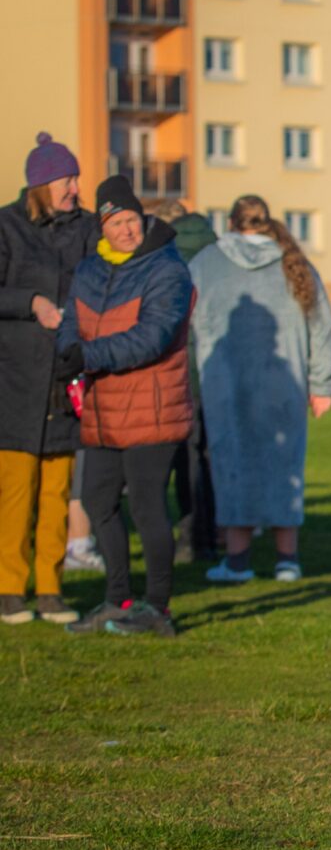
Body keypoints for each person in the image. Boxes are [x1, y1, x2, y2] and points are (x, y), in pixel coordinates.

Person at [55, 176, 193, 636]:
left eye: (131, 219)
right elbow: (71, 323)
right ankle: (117, 599)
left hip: (154, 408)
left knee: (149, 507)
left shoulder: (166, 268)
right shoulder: (91, 269)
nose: (126, 230)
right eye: (116, 222)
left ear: (143, 217)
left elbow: (153, 336)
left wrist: (88, 356)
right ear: (103, 226)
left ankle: (158, 609)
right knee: (97, 500)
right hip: (104, 407)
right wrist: (68, 351)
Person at [191, 195, 331, 584]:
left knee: (232, 465)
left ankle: (238, 561)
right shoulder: (295, 263)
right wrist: (322, 384)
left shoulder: (206, 263)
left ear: (232, 222)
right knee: (284, 467)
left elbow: (180, 320)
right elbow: (322, 327)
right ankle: (287, 559)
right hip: (284, 384)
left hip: (225, 385)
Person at [0, 133, 98, 625]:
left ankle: (51, 590)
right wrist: (29, 303)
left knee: (58, 490)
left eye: (77, 178)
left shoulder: (87, 228)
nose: (76, 188)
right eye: (68, 179)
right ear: (41, 183)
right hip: (15, 381)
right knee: (16, 489)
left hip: (64, 379)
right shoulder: (6, 226)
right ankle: (10, 590)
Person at [153, 199, 220, 563]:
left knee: (183, 458)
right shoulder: (217, 252)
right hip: (217, 369)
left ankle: (187, 537)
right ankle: (214, 535)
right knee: (210, 457)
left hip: (180, 370)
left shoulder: (166, 255)